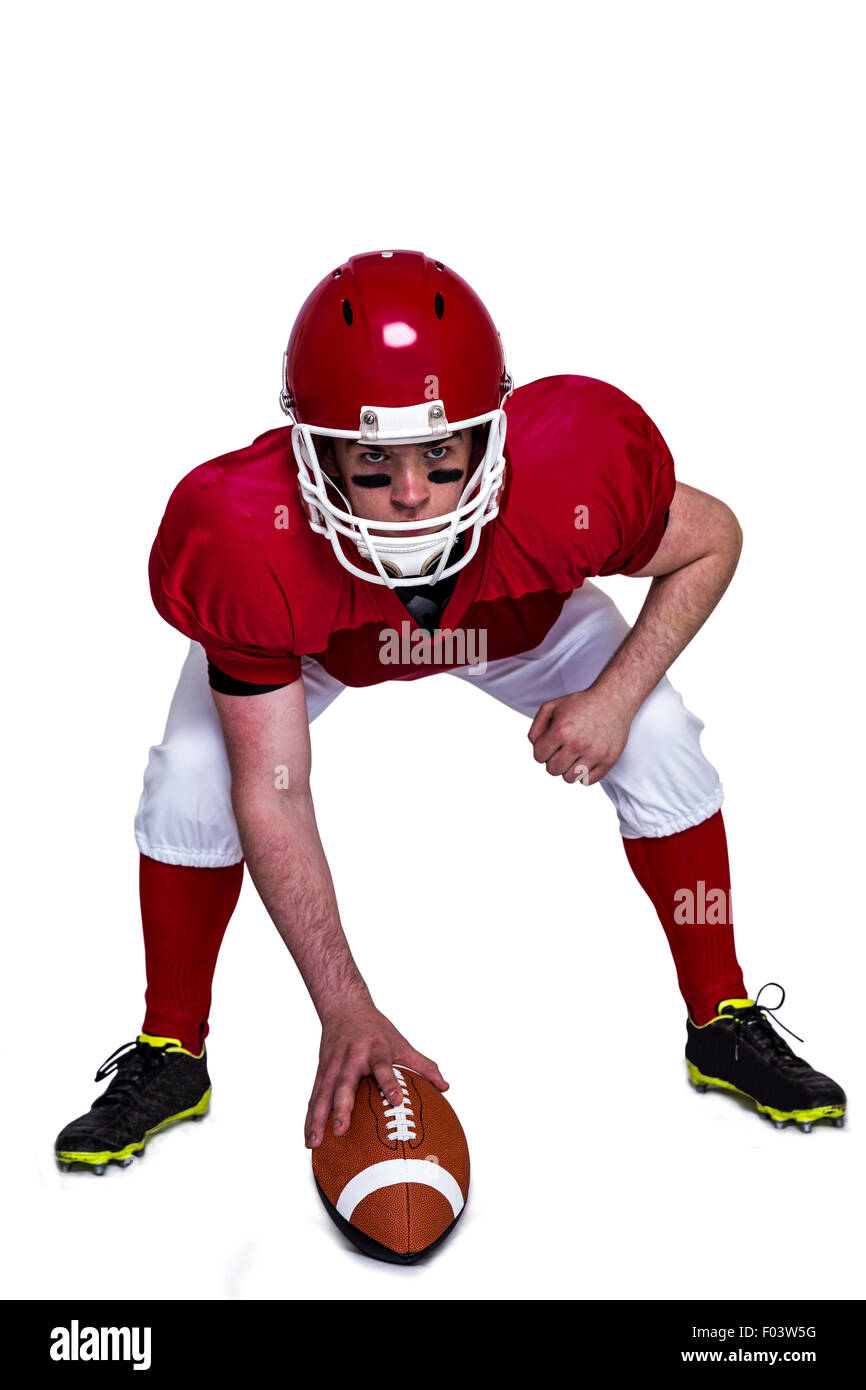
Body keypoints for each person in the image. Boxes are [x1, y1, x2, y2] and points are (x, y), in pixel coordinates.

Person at [55, 249, 845, 1174]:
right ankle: (170, 1049)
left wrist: (614, 696)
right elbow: (275, 794)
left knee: (661, 737)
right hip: (317, 637)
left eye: (440, 452)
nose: (414, 497)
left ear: (490, 434)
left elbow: (714, 540)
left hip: (519, 625)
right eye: (372, 462)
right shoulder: (247, 542)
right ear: (311, 452)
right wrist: (344, 1003)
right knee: (195, 776)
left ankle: (721, 1017)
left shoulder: (568, 478)